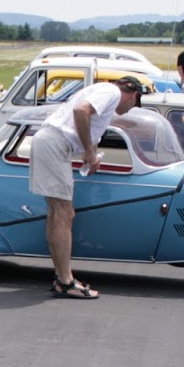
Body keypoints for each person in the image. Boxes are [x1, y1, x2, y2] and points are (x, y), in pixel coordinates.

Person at [28, 75, 147, 299]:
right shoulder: (111, 93)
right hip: (55, 144)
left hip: (50, 142)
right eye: (135, 103)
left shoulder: (103, 94)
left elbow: (86, 121)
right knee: (64, 213)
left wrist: (88, 150)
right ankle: (65, 280)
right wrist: (89, 153)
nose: (132, 108)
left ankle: (61, 277)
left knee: (57, 213)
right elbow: (81, 112)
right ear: (132, 94)